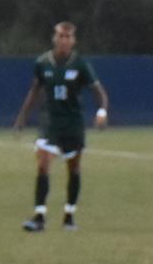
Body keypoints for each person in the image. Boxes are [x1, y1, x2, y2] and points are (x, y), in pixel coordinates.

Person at [11, 21, 111, 232]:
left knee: (73, 168)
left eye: (68, 37)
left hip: (73, 123)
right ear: (54, 38)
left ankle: (69, 215)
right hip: (50, 123)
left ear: (73, 40)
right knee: (43, 164)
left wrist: (101, 112)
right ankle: (39, 216)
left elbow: (99, 92)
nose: (64, 40)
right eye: (60, 36)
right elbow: (34, 90)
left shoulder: (80, 64)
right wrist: (22, 117)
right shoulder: (42, 63)